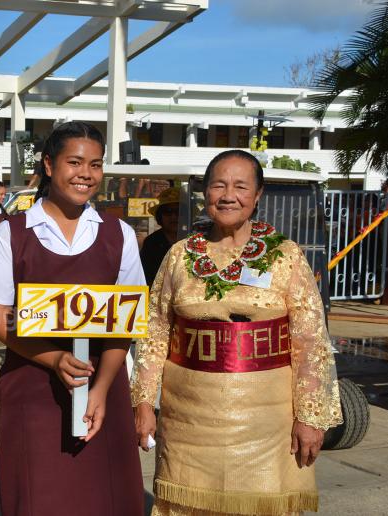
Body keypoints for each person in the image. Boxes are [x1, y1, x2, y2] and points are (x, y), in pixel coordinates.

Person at [132, 149, 342, 516]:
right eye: (219, 185)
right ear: (205, 193)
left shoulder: (286, 256)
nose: (229, 195)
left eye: (241, 186)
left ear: (257, 195)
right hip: (188, 426)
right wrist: (144, 403)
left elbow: (310, 342)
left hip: (267, 426)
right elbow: (155, 333)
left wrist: (310, 416)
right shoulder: (180, 256)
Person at [0, 122, 146, 516]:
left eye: (95, 164)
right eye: (74, 162)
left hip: (106, 381)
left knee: (106, 496)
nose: (85, 173)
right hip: (33, 387)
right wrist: (53, 359)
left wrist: (101, 388)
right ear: (49, 165)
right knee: (41, 496)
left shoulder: (118, 234)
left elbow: (127, 319)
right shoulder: (10, 234)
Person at [140, 187, 180, 285]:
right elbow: (146, 277)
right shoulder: (151, 242)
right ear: (159, 216)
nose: (173, 216)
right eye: (168, 211)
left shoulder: (194, 240)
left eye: (178, 211)